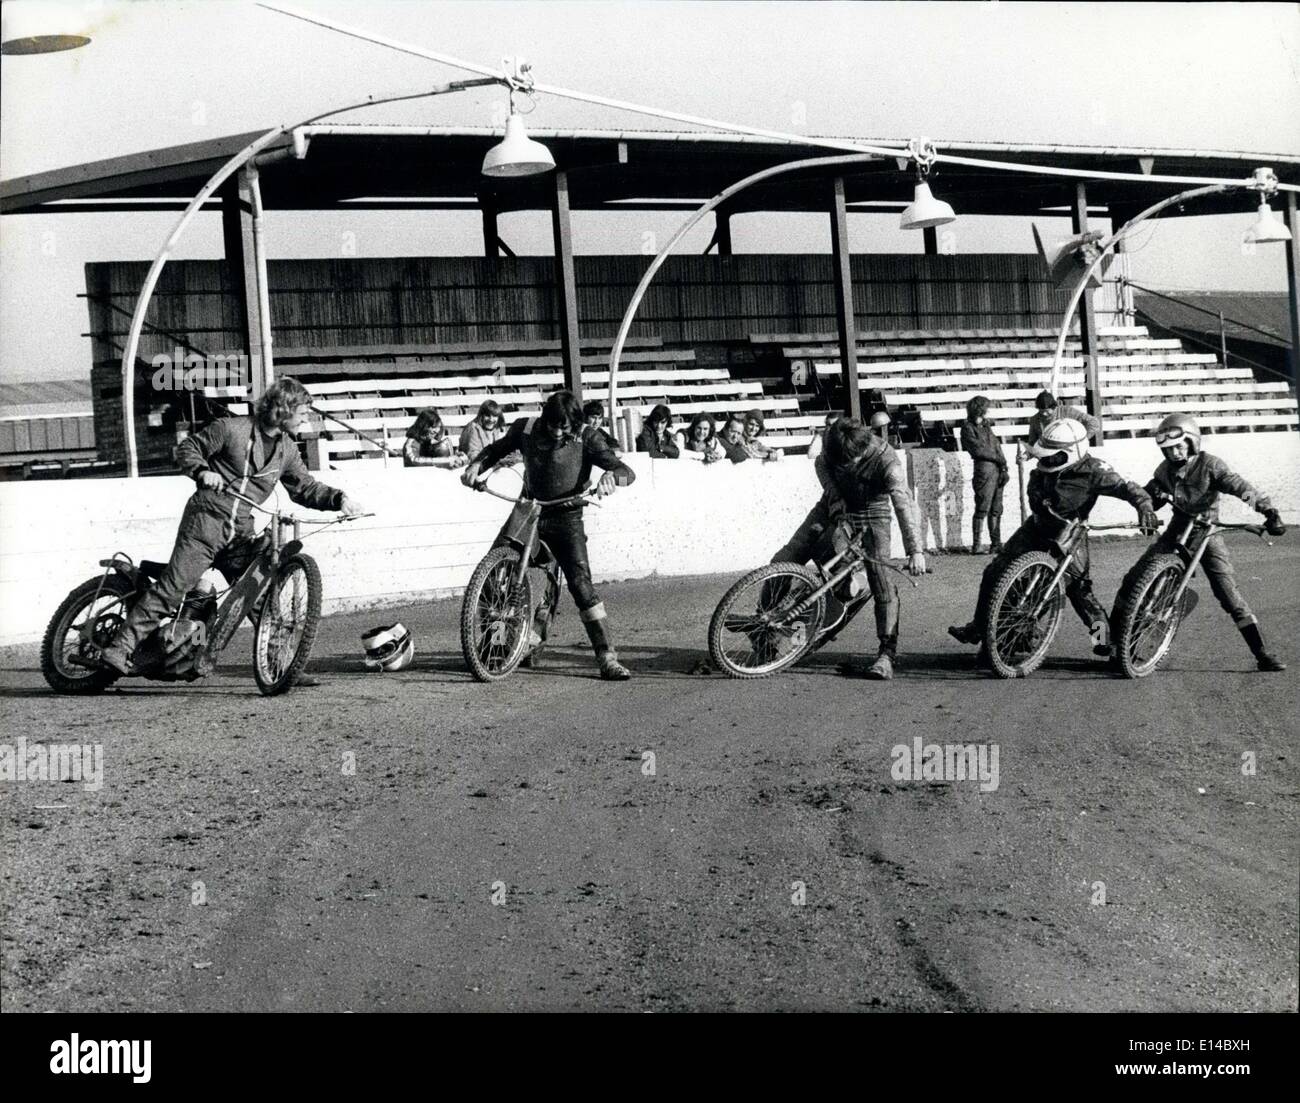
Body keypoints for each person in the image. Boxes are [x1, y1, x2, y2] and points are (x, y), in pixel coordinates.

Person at [98, 378, 366, 674]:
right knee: (174, 588)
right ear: (282, 409)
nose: (306, 418)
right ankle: (118, 647)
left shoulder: (287, 450)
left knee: (260, 597)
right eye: (302, 412)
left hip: (240, 531)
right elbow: (188, 448)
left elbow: (304, 487)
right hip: (205, 521)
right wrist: (202, 472)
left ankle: (280, 666)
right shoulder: (231, 429)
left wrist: (340, 499)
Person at [948, 417, 1159, 661]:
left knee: (1081, 593)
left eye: (1053, 456)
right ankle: (980, 627)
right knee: (994, 572)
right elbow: (1032, 485)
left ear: (1072, 451)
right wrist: (1037, 497)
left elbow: (1129, 488)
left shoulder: (1095, 471)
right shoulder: (1042, 468)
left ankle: (1103, 642)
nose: (1046, 460)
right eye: (1044, 455)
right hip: (1036, 526)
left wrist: (1145, 507)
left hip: (1069, 534)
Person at [461, 389, 636, 681]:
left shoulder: (588, 437)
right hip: (528, 509)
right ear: (544, 418)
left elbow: (626, 470)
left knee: (581, 586)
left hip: (567, 518)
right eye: (552, 425)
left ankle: (607, 658)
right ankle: (499, 642)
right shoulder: (526, 428)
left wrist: (610, 477)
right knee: (493, 575)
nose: (556, 433)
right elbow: (496, 449)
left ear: (575, 426)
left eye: (564, 429)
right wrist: (477, 465)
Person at [1123, 413, 1287, 672]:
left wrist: (1268, 511)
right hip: (1177, 530)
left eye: (1179, 446)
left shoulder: (1211, 465)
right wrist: (1150, 497)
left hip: (1207, 532)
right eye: (1168, 449)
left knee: (1228, 594)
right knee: (1134, 579)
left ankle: (1263, 652)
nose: (1174, 453)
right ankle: (1114, 645)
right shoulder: (1163, 470)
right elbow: (1151, 498)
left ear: (1192, 442)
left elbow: (1240, 488)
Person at [771, 418, 927, 681]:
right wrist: (835, 496)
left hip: (872, 512)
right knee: (786, 557)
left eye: (848, 462)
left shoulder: (888, 463)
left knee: (880, 581)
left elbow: (903, 504)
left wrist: (916, 550)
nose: (842, 466)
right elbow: (821, 463)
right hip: (833, 505)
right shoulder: (833, 446)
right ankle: (764, 624)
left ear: (861, 452)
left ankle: (886, 654)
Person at [960, 395, 1010, 555]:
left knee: (996, 508)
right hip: (984, 469)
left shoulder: (986, 426)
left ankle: (995, 543)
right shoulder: (968, 428)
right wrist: (999, 460)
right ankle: (977, 544)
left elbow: (996, 446)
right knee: (983, 507)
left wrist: (1003, 466)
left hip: (995, 468)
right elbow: (978, 450)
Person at [1027, 390, 1100, 447]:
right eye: (1041, 411)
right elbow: (1032, 444)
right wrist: (1026, 455)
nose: (1044, 414)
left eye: (1046, 411)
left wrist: (1083, 440)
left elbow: (1094, 422)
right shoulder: (1035, 420)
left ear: (1054, 407)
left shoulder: (1067, 412)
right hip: (1048, 458)